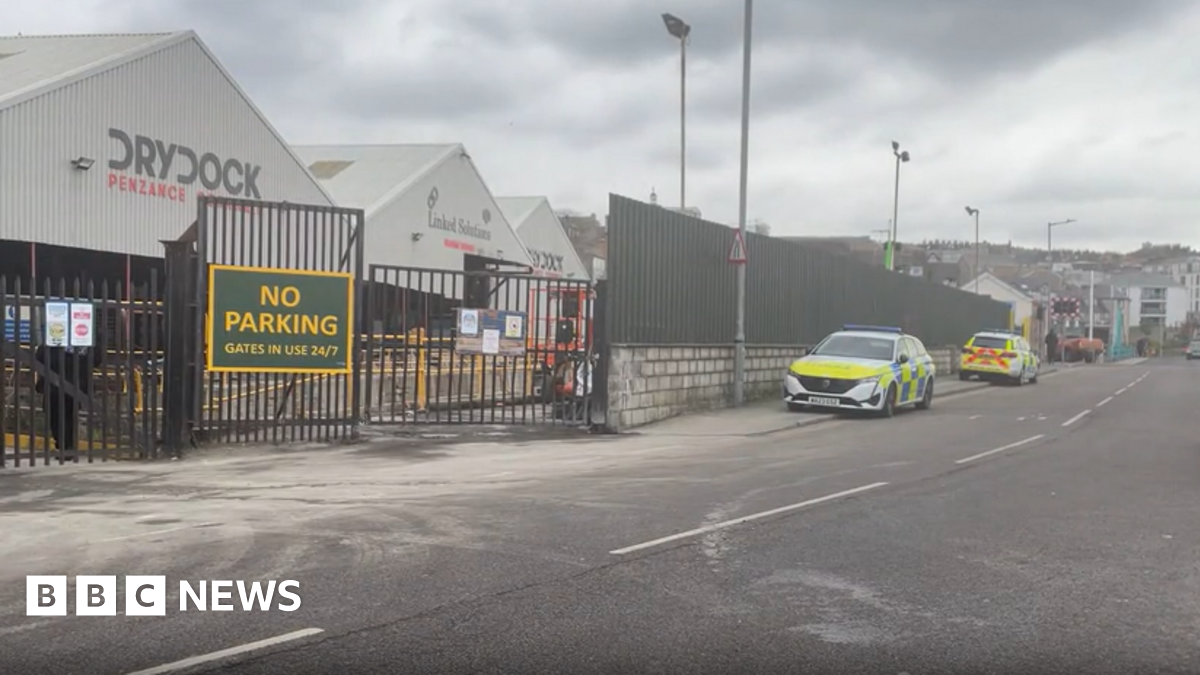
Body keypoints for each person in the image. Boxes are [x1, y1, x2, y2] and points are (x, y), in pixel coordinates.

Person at [34, 339, 101, 457]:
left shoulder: (53, 338)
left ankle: (64, 446)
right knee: (69, 415)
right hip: (77, 383)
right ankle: (68, 446)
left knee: (56, 416)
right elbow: (96, 359)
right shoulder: (83, 339)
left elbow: (40, 357)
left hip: (54, 383)